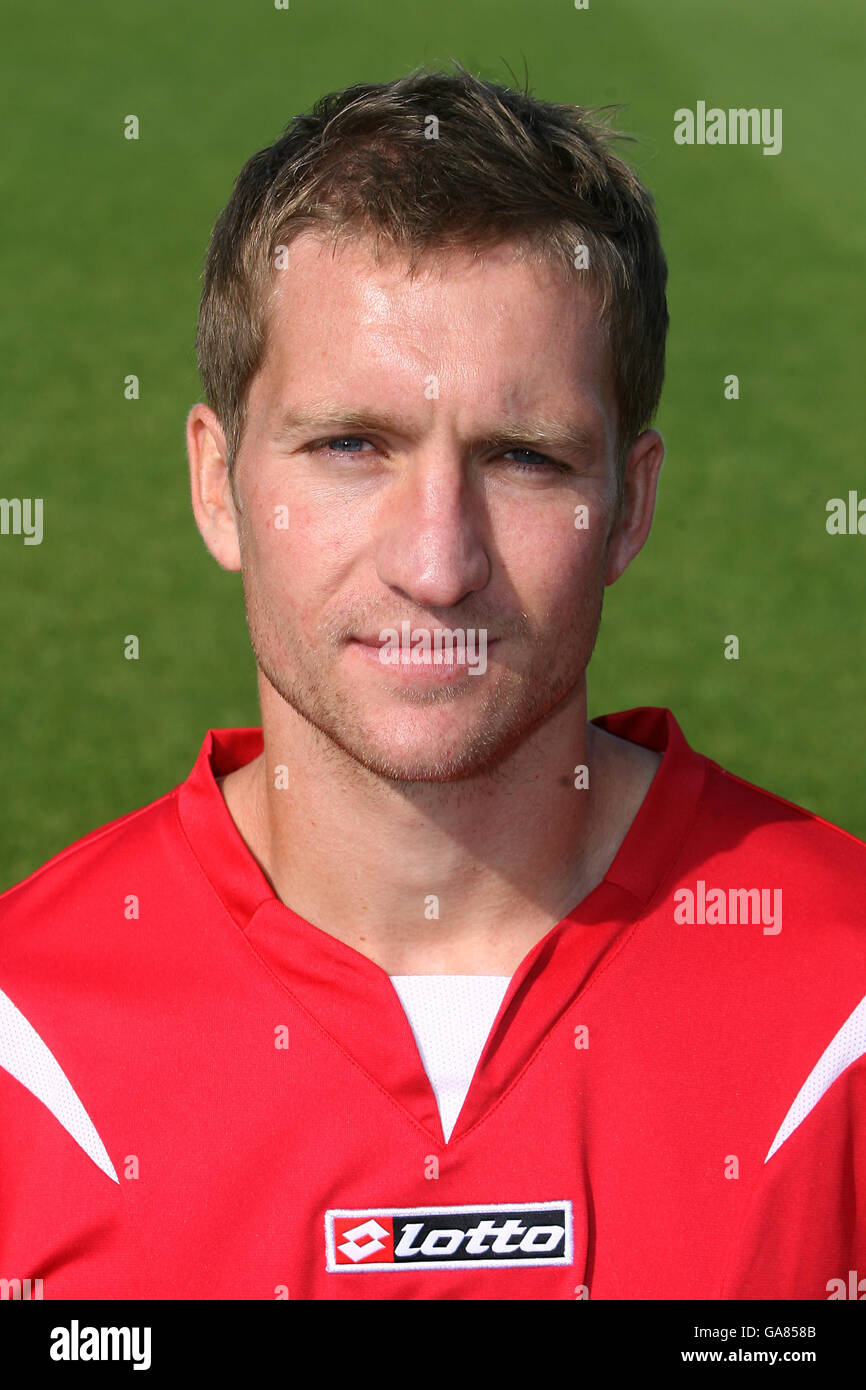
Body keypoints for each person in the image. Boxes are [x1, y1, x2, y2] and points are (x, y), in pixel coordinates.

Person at [1, 63, 864, 1301]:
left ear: (629, 507)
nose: (437, 563)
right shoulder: (24, 1041)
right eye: (352, 445)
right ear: (216, 482)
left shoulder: (842, 1008)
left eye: (522, 457)